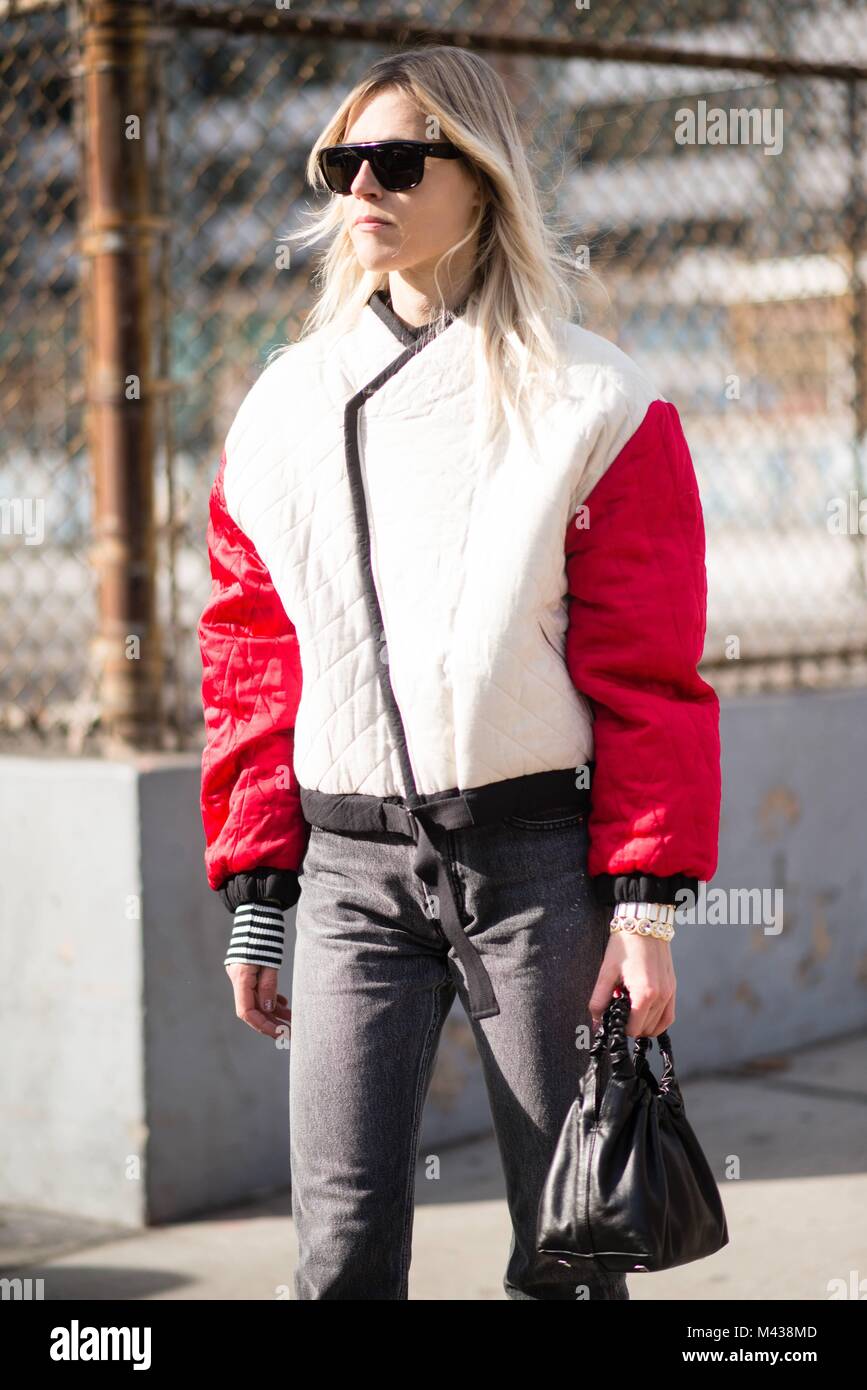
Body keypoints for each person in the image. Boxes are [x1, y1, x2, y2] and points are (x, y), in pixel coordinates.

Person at [197, 44, 721, 1301]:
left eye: (396, 161)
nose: (362, 187)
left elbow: (649, 677)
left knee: (569, 1249)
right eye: (342, 164)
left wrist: (643, 914)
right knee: (339, 1251)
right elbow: (251, 660)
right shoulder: (280, 408)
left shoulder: (594, 397)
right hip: (344, 877)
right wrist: (260, 894)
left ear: (478, 182)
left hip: (538, 864)